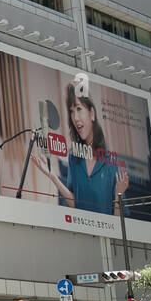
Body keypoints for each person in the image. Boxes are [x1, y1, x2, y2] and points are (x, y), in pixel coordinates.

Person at [30, 84, 131, 215]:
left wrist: (119, 193)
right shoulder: (74, 158)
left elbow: (119, 222)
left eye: (78, 109)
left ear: (92, 113)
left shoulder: (111, 161)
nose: (75, 117)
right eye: (71, 111)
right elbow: (75, 204)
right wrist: (53, 176)